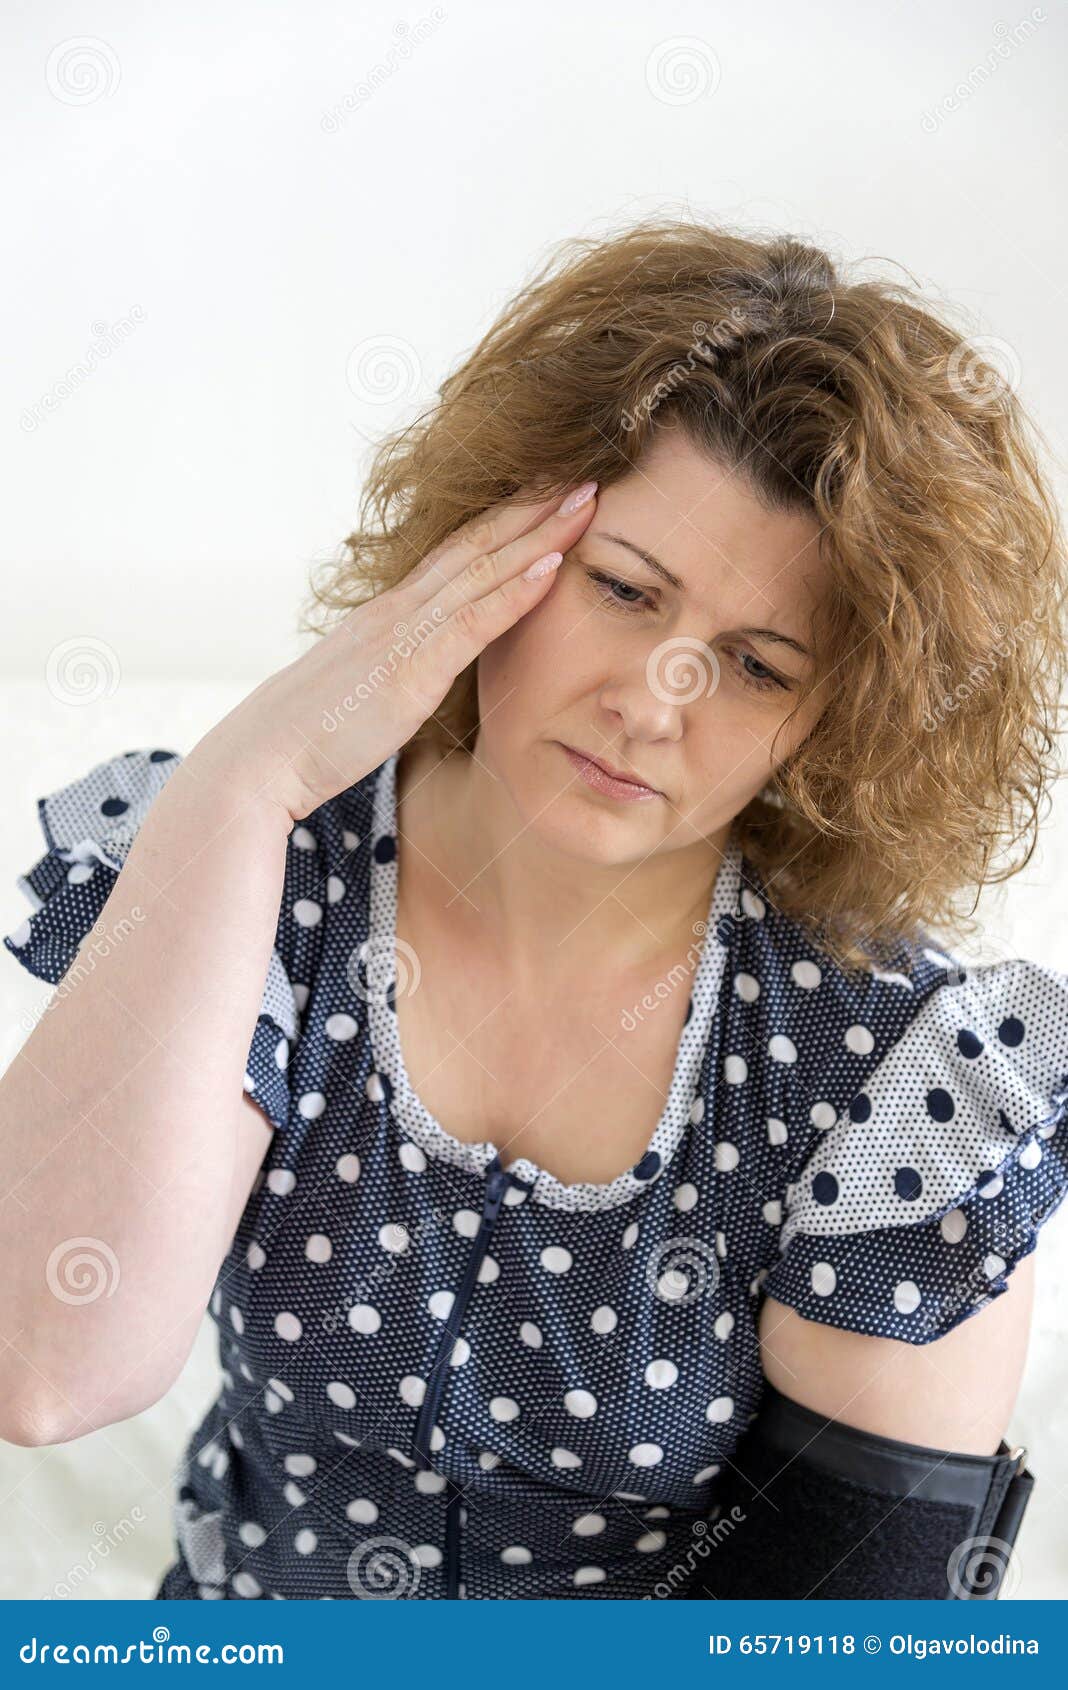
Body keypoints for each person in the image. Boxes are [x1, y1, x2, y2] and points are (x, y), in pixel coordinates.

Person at [2, 220, 1067, 1601]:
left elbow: (842, 1639)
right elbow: (41, 1363)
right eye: (623, 589)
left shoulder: (892, 1076)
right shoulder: (253, 881)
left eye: (754, 664)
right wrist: (247, 781)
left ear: (836, 724)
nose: (654, 698)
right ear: (488, 535)